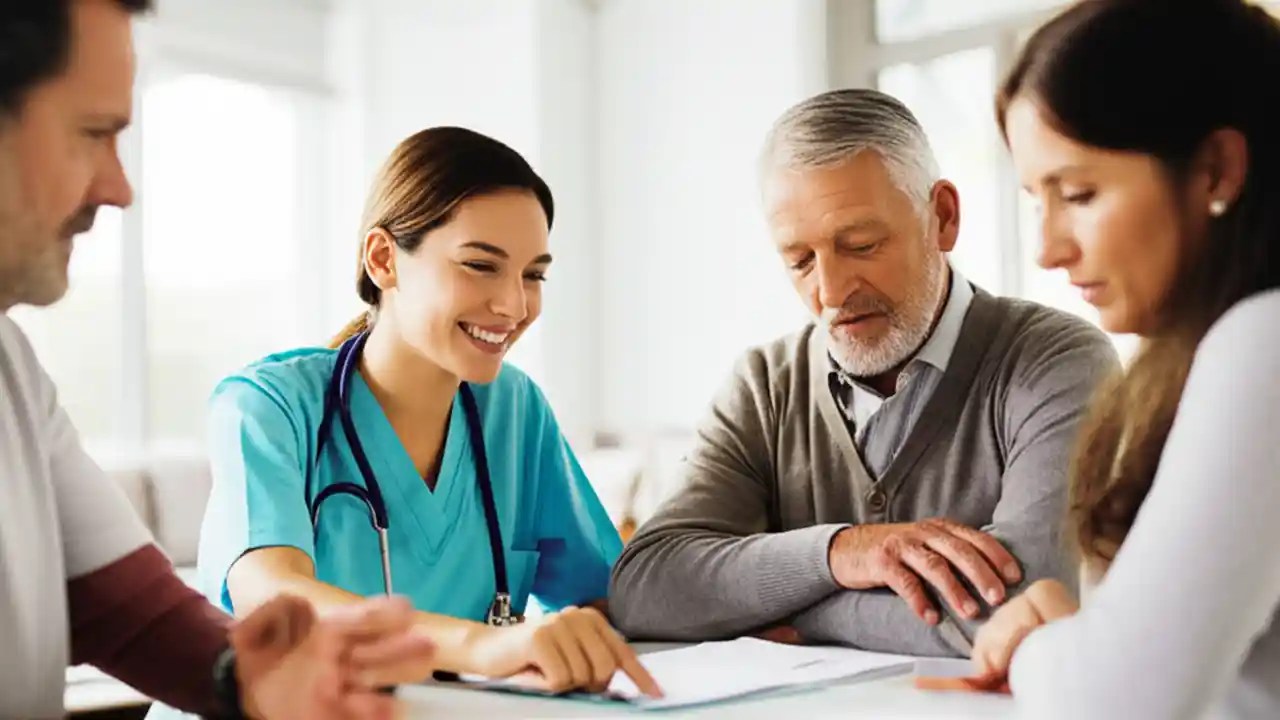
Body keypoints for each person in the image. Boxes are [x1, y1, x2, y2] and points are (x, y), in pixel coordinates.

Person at [0, 1, 436, 718]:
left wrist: (249, 673)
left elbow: (128, 609)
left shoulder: (11, 367)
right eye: (92, 133)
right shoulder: (270, 398)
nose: (120, 188)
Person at [609, 88, 1120, 656]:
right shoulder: (764, 385)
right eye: (799, 260)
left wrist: (805, 613)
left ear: (942, 219)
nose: (829, 292)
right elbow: (644, 587)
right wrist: (841, 553)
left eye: (861, 244)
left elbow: (1024, 609)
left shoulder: (1056, 361)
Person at [176, 124, 661, 703]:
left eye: (533, 275)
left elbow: (606, 596)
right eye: (481, 266)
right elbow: (273, 595)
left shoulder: (516, 410)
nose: (515, 305)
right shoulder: (267, 405)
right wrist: (482, 645)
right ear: (384, 260)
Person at [969, 1, 1280, 717]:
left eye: (1078, 193)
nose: (1048, 248)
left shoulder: (1262, 341)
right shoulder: (1203, 355)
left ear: (1215, 170)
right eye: (1035, 201)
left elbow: (1121, 703)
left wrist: (1036, 651)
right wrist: (1089, 640)